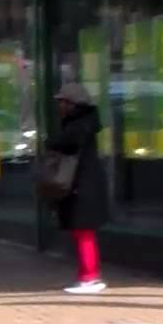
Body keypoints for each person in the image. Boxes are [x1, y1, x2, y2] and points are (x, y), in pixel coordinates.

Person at [46, 82, 109, 294]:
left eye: (63, 102)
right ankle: (86, 275)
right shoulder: (82, 123)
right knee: (81, 232)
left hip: (83, 186)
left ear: (73, 103)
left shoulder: (79, 125)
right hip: (82, 185)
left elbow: (66, 143)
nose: (60, 106)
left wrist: (52, 141)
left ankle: (90, 277)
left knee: (84, 232)